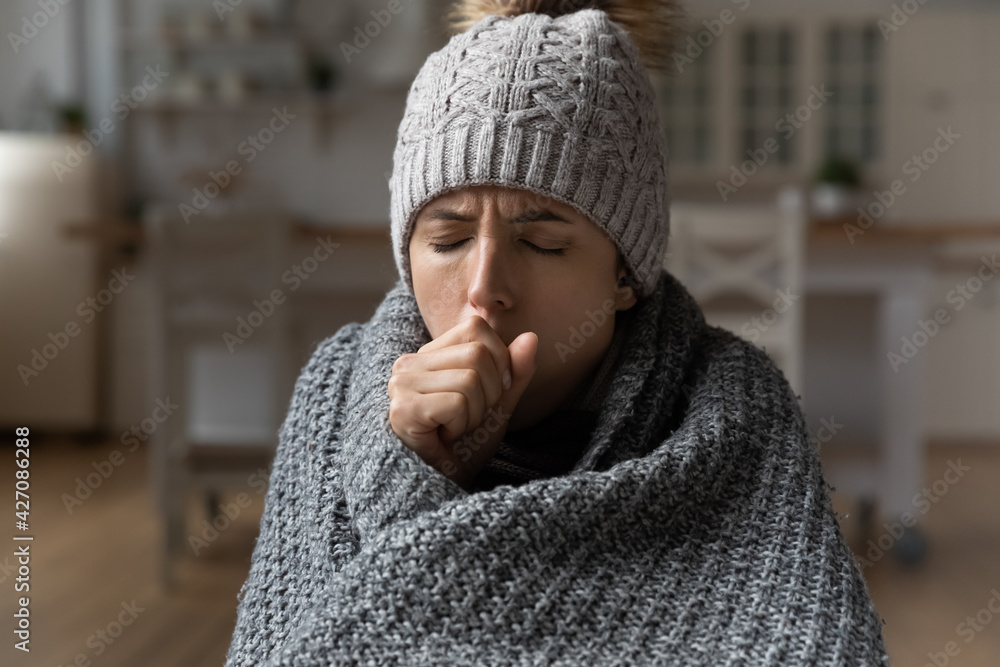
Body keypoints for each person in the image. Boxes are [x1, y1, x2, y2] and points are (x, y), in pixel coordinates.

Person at [225, 2, 890, 665]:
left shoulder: (736, 408)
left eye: (542, 242)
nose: (484, 285)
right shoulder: (337, 392)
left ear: (625, 275)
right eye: (449, 238)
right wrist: (413, 473)